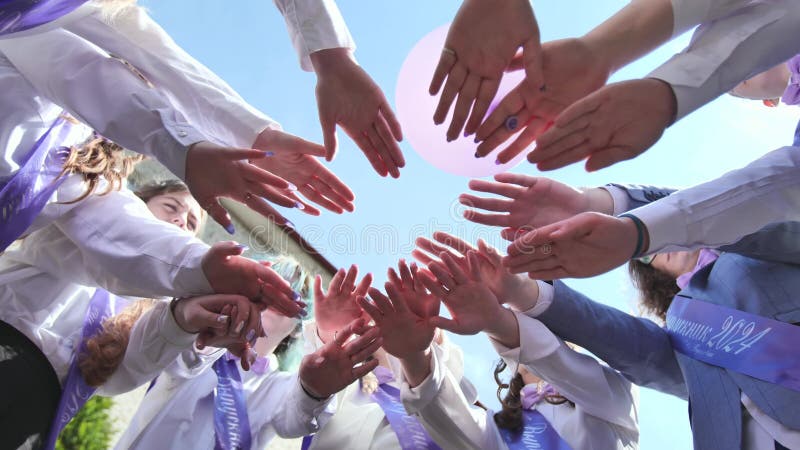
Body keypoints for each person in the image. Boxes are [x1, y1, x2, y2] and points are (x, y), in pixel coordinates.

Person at [462, 175, 800, 449]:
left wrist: (607, 207)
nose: (658, 251)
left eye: (649, 242)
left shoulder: (760, 247)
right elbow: (632, 348)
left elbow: (738, 209)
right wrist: (523, 291)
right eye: (647, 256)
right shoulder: (684, 325)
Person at [0, 172, 268, 449]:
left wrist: (183, 321)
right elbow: (127, 245)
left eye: (190, 223)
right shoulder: (89, 213)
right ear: (141, 201)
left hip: (31, 416)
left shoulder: (146, 308)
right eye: (172, 206)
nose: (179, 220)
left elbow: (121, 375)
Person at [385, 233, 639, 449]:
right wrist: (415, 357)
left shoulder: (613, 396)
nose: (532, 340)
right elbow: (454, 427)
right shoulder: (500, 429)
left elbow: (563, 366)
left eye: (537, 330)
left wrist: (498, 321)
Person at [115, 256, 383, 450]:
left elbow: (296, 419)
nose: (269, 302)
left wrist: (319, 374)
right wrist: (211, 333)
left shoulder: (279, 386)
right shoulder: (201, 345)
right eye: (263, 290)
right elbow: (179, 361)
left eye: (286, 298)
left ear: (296, 329)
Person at [301, 263, 475, 450]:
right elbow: (306, 404)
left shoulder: (447, 391)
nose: (394, 322)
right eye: (380, 316)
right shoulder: (347, 385)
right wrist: (330, 334)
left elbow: (447, 384)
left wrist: (424, 347)